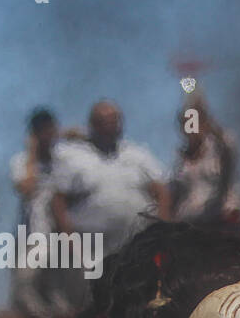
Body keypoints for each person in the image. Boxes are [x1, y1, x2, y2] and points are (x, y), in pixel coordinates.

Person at [50, 100, 170, 263]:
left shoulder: (137, 153)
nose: (110, 126)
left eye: (114, 121)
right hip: (92, 251)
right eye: (103, 122)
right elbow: (58, 200)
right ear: (92, 125)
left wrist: (162, 228)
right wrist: (68, 239)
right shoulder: (73, 157)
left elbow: (161, 190)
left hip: (137, 246)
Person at [10, 108, 80, 318]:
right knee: (30, 309)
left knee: (64, 309)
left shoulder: (66, 159)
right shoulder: (21, 161)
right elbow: (25, 187)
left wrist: (69, 136)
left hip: (62, 242)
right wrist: (32, 153)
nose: (46, 136)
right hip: (30, 241)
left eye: (49, 129)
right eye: (40, 131)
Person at [168, 94, 240, 231]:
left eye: (194, 122)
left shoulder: (218, 148)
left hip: (221, 221)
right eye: (186, 123)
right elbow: (174, 193)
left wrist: (206, 117)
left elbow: (228, 146)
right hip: (192, 225)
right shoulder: (179, 159)